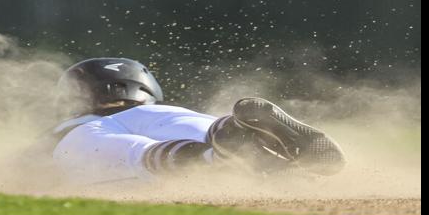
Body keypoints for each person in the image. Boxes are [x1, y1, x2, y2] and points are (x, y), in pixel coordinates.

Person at [50, 58, 346, 186]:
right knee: (204, 128)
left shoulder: (69, 128)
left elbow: (20, 168)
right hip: (164, 116)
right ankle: (232, 135)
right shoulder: (157, 111)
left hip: (82, 133)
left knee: (136, 156)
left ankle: (212, 159)